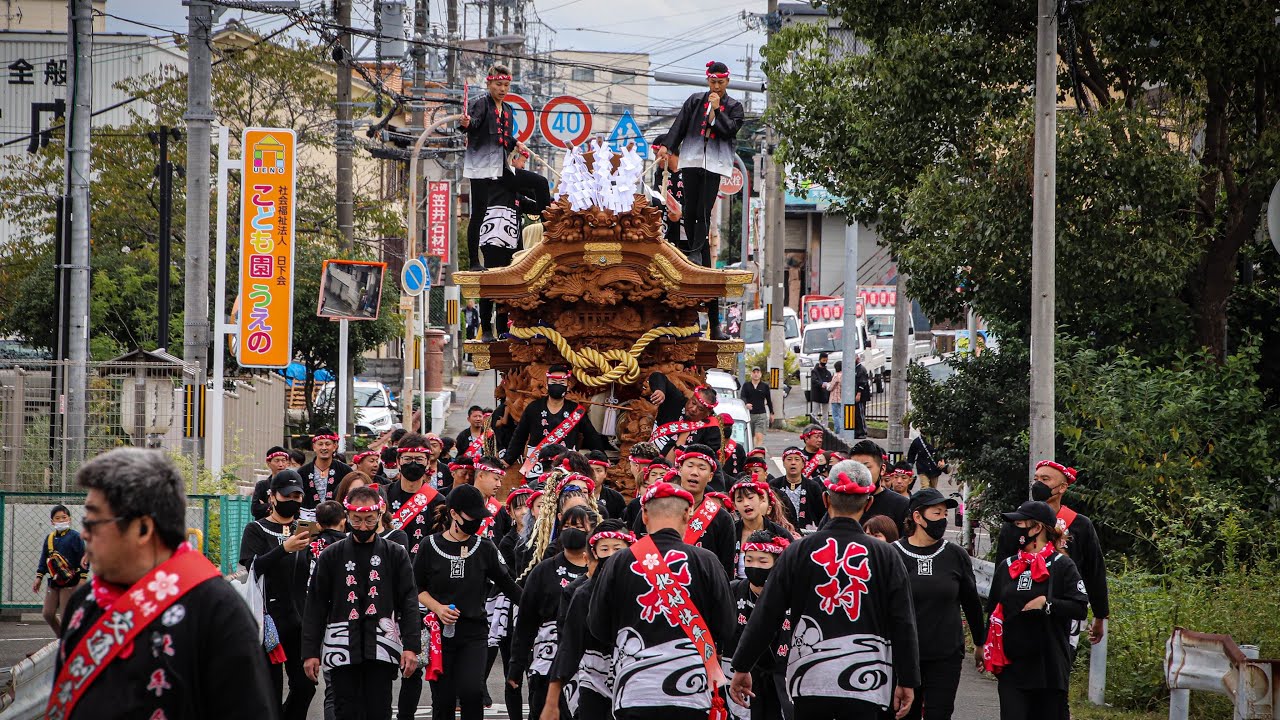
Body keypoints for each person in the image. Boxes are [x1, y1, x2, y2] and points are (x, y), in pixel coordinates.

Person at [50, 448, 273, 719]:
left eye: (94, 521)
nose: (84, 533)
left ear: (143, 529)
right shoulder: (85, 603)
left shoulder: (217, 611)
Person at [729, 460, 920, 720]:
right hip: (866, 677)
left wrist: (741, 667)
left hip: (809, 675)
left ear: (826, 499)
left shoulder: (799, 550)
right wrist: (907, 679)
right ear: (868, 504)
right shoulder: (885, 554)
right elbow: (903, 621)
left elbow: (767, 613)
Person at [588, 482, 736, 720]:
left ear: (644, 515)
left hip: (634, 690)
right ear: (688, 513)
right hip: (691, 691)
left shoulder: (619, 561)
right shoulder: (706, 561)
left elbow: (597, 625)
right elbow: (727, 627)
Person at [302, 487, 419, 720]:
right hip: (342, 645)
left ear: (379, 515)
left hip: (382, 645)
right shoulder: (331, 555)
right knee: (345, 710)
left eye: (369, 520)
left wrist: (411, 646)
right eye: (356, 520)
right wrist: (310, 652)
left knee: (379, 710)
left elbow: (409, 599)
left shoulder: (395, 553)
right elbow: (315, 604)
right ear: (346, 516)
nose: (363, 526)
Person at [414, 484, 524, 720]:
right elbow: (417, 589)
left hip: (474, 632)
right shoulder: (429, 546)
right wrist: (438, 608)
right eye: (471, 516)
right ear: (453, 514)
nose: (476, 521)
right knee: (443, 698)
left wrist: (536, 607)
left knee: (472, 692)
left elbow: (508, 586)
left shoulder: (484, 547)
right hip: (439, 634)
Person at [653, 60, 744, 340]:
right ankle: (695, 246)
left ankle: (696, 246)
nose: (715, 87)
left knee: (703, 210)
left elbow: (729, 130)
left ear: (726, 82)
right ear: (707, 81)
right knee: (690, 210)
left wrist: (717, 110)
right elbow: (679, 126)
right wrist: (667, 146)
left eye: (720, 83)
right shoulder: (694, 101)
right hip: (693, 160)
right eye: (712, 82)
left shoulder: (735, 107)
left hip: (715, 164)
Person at [985, 501, 1089, 720]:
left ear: (1037, 528)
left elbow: (1079, 607)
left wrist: (1046, 603)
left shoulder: (1062, 565)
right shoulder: (1007, 565)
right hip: (1013, 667)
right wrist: (985, 646)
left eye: (1019, 523)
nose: (1012, 530)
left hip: (1048, 666)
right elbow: (994, 608)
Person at [995, 461, 1109, 651]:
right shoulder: (1016, 523)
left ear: (1062, 487)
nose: (1038, 484)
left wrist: (1100, 614)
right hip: (1020, 608)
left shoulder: (1080, 525)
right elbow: (1002, 567)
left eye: (1045, 479)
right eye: (1036, 479)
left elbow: (1094, 571)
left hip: (1062, 611)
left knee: (1057, 666)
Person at [893, 489, 985, 720]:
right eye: (937, 513)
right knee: (903, 714)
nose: (942, 519)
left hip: (946, 654)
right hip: (903, 656)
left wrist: (980, 643)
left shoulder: (955, 555)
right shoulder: (893, 554)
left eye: (945, 514)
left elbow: (971, 601)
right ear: (917, 517)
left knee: (940, 714)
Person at [240, 469, 316, 720]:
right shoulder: (256, 529)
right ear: (272, 497)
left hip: (300, 621)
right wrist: (284, 548)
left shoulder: (305, 529)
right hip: (268, 621)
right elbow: (253, 567)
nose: (292, 501)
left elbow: (311, 572)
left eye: (297, 495)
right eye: (286, 496)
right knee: (269, 690)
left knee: (305, 686)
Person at [545, 520, 635, 720]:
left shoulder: (641, 587)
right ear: (593, 553)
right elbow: (569, 644)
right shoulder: (583, 593)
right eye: (604, 549)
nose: (611, 555)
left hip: (634, 675)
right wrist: (552, 697)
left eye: (618, 548)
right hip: (594, 675)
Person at [510, 505, 593, 718]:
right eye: (566, 525)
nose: (571, 530)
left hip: (589, 660)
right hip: (547, 657)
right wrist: (517, 664)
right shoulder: (544, 570)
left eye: (577, 525)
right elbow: (526, 621)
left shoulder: (599, 570)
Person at [462, 63, 528, 271]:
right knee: (479, 212)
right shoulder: (481, 104)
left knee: (534, 183)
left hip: (500, 166)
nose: (503, 89)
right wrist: (466, 123)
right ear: (490, 84)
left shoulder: (508, 110)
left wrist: (516, 143)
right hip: (481, 164)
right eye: (499, 84)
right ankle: (474, 261)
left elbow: (504, 140)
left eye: (506, 85)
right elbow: (473, 125)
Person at [635, 444, 736, 577]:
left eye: (702, 468)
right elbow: (637, 549)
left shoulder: (721, 518)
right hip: (657, 585)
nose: (695, 472)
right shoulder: (656, 505)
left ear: (710, 476)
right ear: (680, 469)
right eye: (690, 465)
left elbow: (725, 569)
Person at [724, 529, 793, 720]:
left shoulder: (789, 593)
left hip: (781, 673)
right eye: (749, 560)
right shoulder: (733, 590)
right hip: (739, 671)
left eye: (763, 561)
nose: (755, 566)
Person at [504, 365, 606, 468]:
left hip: (567, 463)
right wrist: (508, 459)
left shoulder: (576, 410)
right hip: (536, 463)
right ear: (547, 385)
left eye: (561, 383)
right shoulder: (533, 408)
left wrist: (603, 459)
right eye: (553, 382)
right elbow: (520, 435)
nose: (557, 385)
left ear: (568, 386)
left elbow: (591, 436)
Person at [34, 503, 87, 634]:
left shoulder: (75, 537)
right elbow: (44, 559)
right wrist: (39, 577)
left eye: (64, 517)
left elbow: (84, 558)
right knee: (48, 613)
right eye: (57, 518)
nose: (61, 520)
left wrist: (83, 578)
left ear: (70, 519)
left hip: (71, 581)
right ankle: (62, 638)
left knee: (66, 616)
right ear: (52, 521)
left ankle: (65, 644)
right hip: (54, 581)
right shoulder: (50, 538)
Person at [731, 479, 794, 580]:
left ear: (761, 499)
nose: (746, 503)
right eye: (739, 500)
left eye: (750, 497)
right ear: (735, 506)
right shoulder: (729, 532)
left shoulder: (780, 533)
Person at [850, 439, 910, 534]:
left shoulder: (901, 505)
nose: (859, 473)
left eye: (866, 467)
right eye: (854, 468)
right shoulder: (843, 502)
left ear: (882, 469)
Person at [771, 447, 827, 534]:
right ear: (784, 463)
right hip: (781, 532)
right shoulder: (774, 485)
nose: (793, 463)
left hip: (809, 532)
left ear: (803, 464)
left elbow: (821, 513)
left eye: (797, 459)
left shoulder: (813, 486)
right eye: (789, 459)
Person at [300, 429, 353, 509]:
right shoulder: (303, 472)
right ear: (314, 447)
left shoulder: (345, 470)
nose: (324, 448)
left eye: (327, 444)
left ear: (334, 446)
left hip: (337, 516)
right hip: (308, 517)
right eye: (320, 444)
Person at [253, 446, 295, 519]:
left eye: (283, 460)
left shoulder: (293, 484)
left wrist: (268, 505)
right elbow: (255, 510)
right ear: (268, 463)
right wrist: (282, 504)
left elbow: (296, 509)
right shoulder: (262, 485)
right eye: (277, 461)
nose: (281, 464)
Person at [587, 450, 628, 520]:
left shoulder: (616, 498)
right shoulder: (576, 496)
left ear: (605, 474)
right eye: (590, 470)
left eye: (599, 470)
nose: (594, 475)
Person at [741, 366, 774, 448]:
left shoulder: (764, 386)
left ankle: (757, 453)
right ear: (751, 374)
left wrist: (772, 413)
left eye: (757, 372)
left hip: (761, 415)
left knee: (759, 436)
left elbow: (769, 400)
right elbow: (742, 397)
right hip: (749, 415)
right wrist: (746, 404)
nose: (756, 374)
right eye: (754, 372)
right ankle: (750, 453)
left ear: (760, 374)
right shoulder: (746, 385)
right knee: (749, 436)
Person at [809, 353, 833, 425]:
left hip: (825, 395)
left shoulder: (827, 372)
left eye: (826, 360)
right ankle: (814, 427)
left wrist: (827, 385)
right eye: (823, 360)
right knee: (815, 413)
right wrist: (821, 384)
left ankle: (825, 428)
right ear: (820, 360)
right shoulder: (814, 371)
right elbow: (814, 381)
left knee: (825, 414)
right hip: (816, 395)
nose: (825, 362)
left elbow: (830, 381)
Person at [854, 357, 872, 439]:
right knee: (856, 414)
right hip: (855, 395)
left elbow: (863, 383)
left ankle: (863, 431)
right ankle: (857, 431)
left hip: (861, 396)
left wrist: (859, 394)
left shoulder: (861, 369)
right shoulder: (854, 369)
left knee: (860, 414)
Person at [828, 361, 844, 431]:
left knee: (836, 415)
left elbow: (830, 387)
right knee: (841, 415)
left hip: (835, 398)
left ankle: (838, 430)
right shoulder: (844, 375)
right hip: (842, 398)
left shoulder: (836, 375)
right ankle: (842, 429)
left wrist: (827, 385)